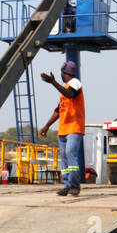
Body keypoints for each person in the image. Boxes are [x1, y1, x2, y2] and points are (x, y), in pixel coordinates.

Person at [38, 60, 85, 197]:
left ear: (64, 73)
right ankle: (67, 185)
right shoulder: (64, 89)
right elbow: (59, 110)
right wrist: (47, 126)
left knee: (70, 153)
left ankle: (75, 186)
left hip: (74, 127)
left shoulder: (75, 83)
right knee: (64, 158)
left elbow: (71, 94)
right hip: (63, 129)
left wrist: (53, 82)